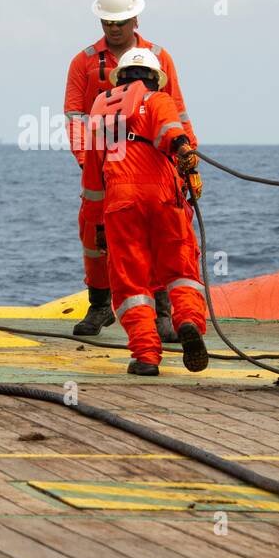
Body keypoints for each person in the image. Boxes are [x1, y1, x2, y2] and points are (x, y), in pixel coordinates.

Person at [65, 0, 196, 340]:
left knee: (160, 237)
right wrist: (86, 160)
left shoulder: (160, 58)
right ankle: (100, 304)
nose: (114, 28)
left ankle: (162, 314)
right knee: (94, 237)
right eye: (108, 22)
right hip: (102, 162)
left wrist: (188, 158)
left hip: (153, 163)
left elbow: (176, 113)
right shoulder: (84, 62)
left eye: (120, 22)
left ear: (135, 20)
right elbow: (75, 116)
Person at [81, 47, 208, 376]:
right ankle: (189, 323)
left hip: (119, 201)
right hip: (162, 194)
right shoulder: (156, 99)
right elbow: (169, 131)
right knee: (180, 267)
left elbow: (93, 177)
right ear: (154, 78)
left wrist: (97, 224)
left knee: (130, 281)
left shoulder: (100, 112)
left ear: (119, 78)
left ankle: (146, 356)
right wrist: (183, 150)